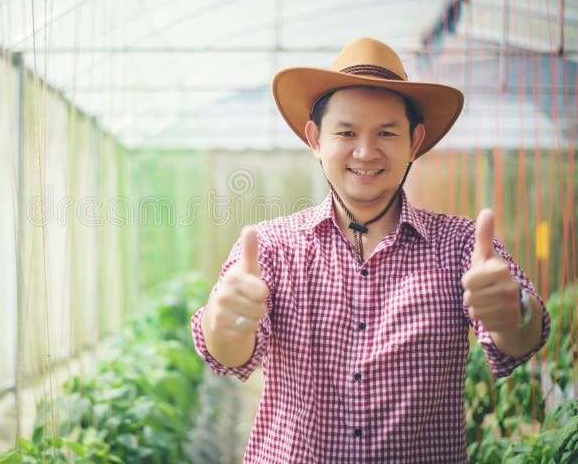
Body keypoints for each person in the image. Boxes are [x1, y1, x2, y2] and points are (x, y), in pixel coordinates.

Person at [191, 38, 550, 462]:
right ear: (315, 140)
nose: (365, 151)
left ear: (414, 142)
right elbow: (227, 353)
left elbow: (522, 338)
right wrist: (225, 323)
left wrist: (514, 314)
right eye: (345, 132)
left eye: (386, 132)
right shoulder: (272, 247)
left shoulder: (460, 245)